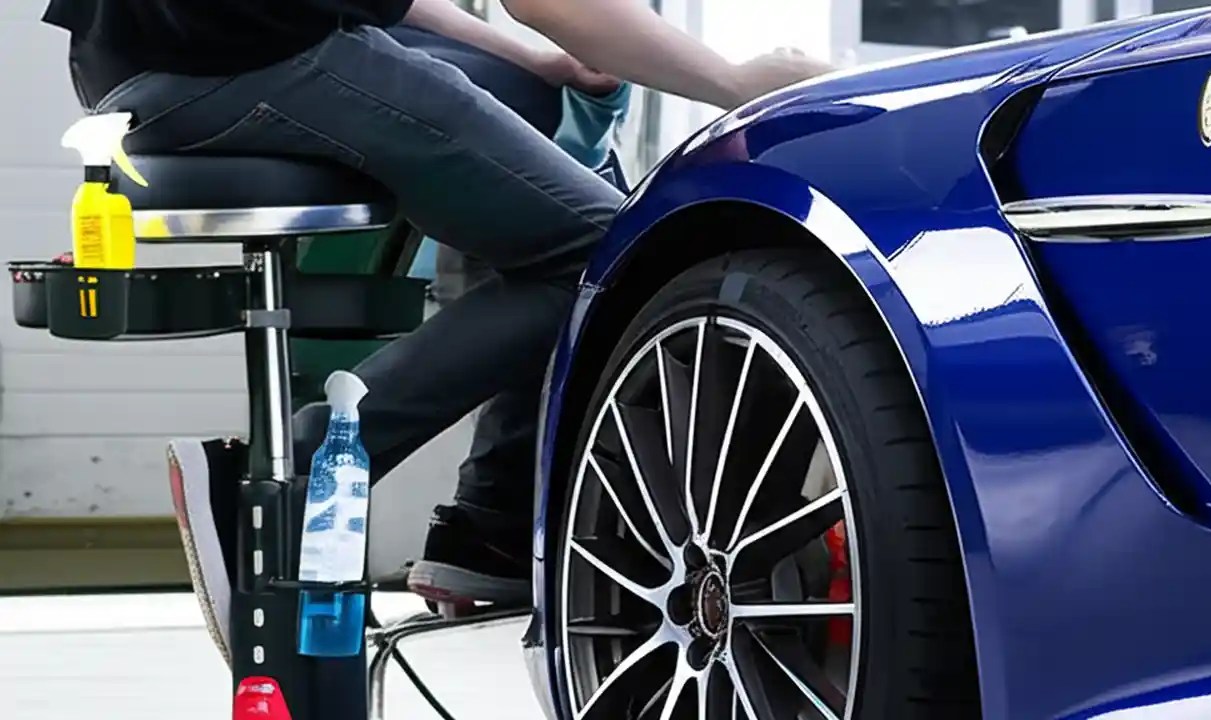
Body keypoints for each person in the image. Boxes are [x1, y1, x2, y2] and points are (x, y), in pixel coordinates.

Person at [42, 0, 833, 650]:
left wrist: (540, 63)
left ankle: (491, 528)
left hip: (133, 70)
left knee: (535, 127)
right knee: (606, 251)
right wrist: (736, 83)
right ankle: (291, 474)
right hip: (244, 59)